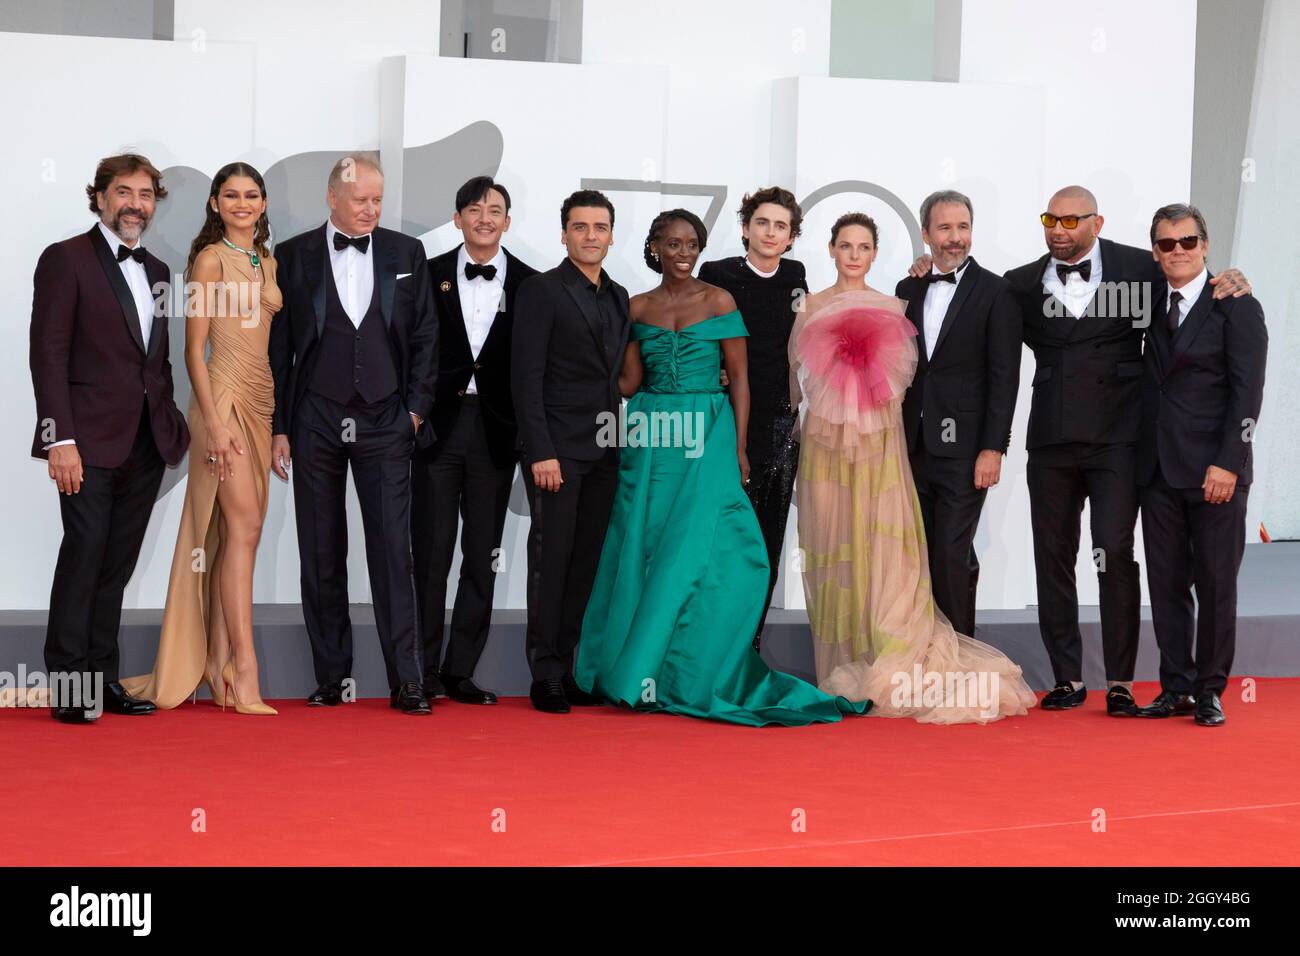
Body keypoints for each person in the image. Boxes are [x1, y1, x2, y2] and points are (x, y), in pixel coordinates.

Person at [576, 209, 867, 726]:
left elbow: (741, 378)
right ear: (654, 248)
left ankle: (688, 671)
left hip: (706, 434)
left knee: (697, 553)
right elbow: (628, 383)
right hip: (650, 437)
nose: (683, 253)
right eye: (672, 244)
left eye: (692, 244)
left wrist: (737, 449)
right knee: (643, 545)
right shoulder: (636, 305)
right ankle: (639, 670)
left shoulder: (719, 299)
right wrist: (578, 374)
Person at [999, 186, 1251, 716]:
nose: (1059, 228)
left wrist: (1234, 276)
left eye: (1071, 219)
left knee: (1115, 554)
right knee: (1053, 557)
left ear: (1097, 222)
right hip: (1050, 442)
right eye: (1051, 219)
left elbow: (1195, 280)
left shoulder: (1142, 267)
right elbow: (978, 319)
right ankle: (1067, 678)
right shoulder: (1019, 284)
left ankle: (1120, 680)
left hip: (1120, 442)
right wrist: (924, 268)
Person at [793, 213, 1035, 723]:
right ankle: (849, 656)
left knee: (896, 553)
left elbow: (995, 376)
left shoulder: (895, 302)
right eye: (845, 245)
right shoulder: (822, 304)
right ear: (831, 249)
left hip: (885, 446)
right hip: (827, 451)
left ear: (875, 252)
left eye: (863, 246)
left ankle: (905, 654)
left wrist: (994, 446)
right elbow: (796, 386)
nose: (855, 254)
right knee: (837, 551)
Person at [268, 152, 438, 715]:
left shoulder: (405, 252)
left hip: (387, 419)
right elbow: (280, 352)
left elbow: (425, 340)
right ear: (332, 198)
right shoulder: (291, 256)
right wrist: (281, 427)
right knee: (320, 549)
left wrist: (414, 411)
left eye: (378, 200)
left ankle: (407, 680)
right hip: (315, 416)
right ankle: (332, 677)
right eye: (361, 199)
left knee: (393, 549)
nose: (371, 210)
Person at [30, 153, 189, 723]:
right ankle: (70, 687)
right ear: (99, 197)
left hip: (145, 444)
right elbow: (47, 354)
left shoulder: (159, 271)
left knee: (116, 565)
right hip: (84, 442)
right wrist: (59, 439)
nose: (135, 204)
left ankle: (100, 678)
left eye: (146, 194)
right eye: (124, 192)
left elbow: (156, 362)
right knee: (83, 556)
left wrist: (170, 423)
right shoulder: (65, 259)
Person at [121, 163, 282, 715]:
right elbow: (193, 353)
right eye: (231, 195)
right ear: (215, 204)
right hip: (224, 401)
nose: (242, 203)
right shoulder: (209, 261)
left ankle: (219, 665)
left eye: (251, 195)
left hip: (261, 405)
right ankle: (245, 670)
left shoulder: (267, 259)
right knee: (245, 526)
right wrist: (211, 423)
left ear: (263, 203)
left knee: (242, 535)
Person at [1135, 204, 1266, 727]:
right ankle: (1176, 687)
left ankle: (1211, 690)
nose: (1179, 252)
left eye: (1188, 241)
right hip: (1159, 470)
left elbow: (1246, 393)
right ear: (1155, 252)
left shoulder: (1236, 305)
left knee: (1215, 584)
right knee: (1166, 585)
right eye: (1167, 245)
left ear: (1206, 245)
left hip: (1216, 471)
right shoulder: (1144, 300)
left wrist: (1229, 464)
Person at [414, 176, 537, 704]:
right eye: (474, 208)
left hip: (495, 432)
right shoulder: (428, 273)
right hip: (435, 428)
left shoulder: (532, 284)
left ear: (508, 221)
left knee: (481, 553)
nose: (485, 217)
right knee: (430, 552)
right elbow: (407, 346)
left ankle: (458, 670)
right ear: (458, 217)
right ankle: (418, 669)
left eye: (495, 210)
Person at [511, 190, 629, 714]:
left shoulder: (620, 296)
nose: (590, 236)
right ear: (563, 234)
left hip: (605, 451)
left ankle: (569, 664)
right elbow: (525, 377)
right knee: (551, 560)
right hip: (556, 452)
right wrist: (541, 450)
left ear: (610, 235)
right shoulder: (541, 290)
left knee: (584, 565)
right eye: (579, 227)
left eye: (599, 227)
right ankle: (545, 673)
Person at [896, 192, 1021, 638]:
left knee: (951, 552)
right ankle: (927, 650)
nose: (955, 238)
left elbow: (1004, 378)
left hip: (966, 449)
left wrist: (993, 448)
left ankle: (960, 656)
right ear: (926, 234)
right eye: (945, 229)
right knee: (922, 553)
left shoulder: (997, 292)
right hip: (913, 445)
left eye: (963, 227)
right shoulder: (908, 288)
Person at [698, 187, 807, 650]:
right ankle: (709, 644)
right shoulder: (717, 275)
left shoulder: (797, 277)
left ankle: (750, 645)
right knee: (720, 539)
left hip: (781, 427)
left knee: (767, 540)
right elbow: (699, 340)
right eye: (762, 222)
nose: (770, 232)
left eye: (780, 226)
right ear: (745, 227)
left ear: (791, 237)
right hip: (726, 423)